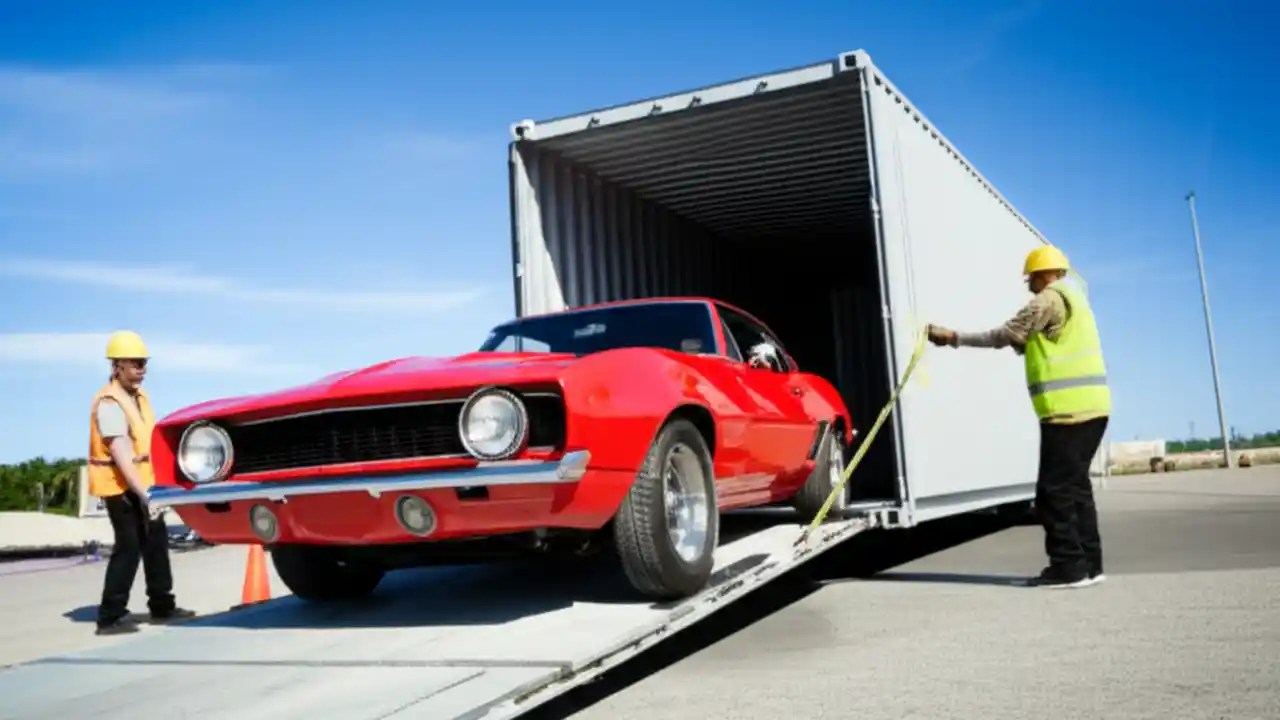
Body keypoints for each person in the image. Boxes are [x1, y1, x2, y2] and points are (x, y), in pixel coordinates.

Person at [927, 245, 1111, 589]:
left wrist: (953, 338)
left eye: (1031, 279)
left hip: (1067, 411)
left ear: (1045, 274)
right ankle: (1090, 565)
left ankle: (1068, 568)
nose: (1029, 286)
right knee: (1076, 489)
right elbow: (1036, 342)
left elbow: (1004, 334)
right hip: (1093, 407)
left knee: (1052, 492)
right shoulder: (1076, 299)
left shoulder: (1049, 300)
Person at [88, 331, 195, 634]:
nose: (141, 370)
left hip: (145, 484)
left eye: (144, 364)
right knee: (129, 546)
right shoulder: (110, 402)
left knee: (156, 542)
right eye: (135, 364)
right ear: (117, 365)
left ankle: (162, 605)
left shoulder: (139, 397)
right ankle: (110, 616)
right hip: (121, 487)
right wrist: (143, 493)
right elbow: (121, 451)